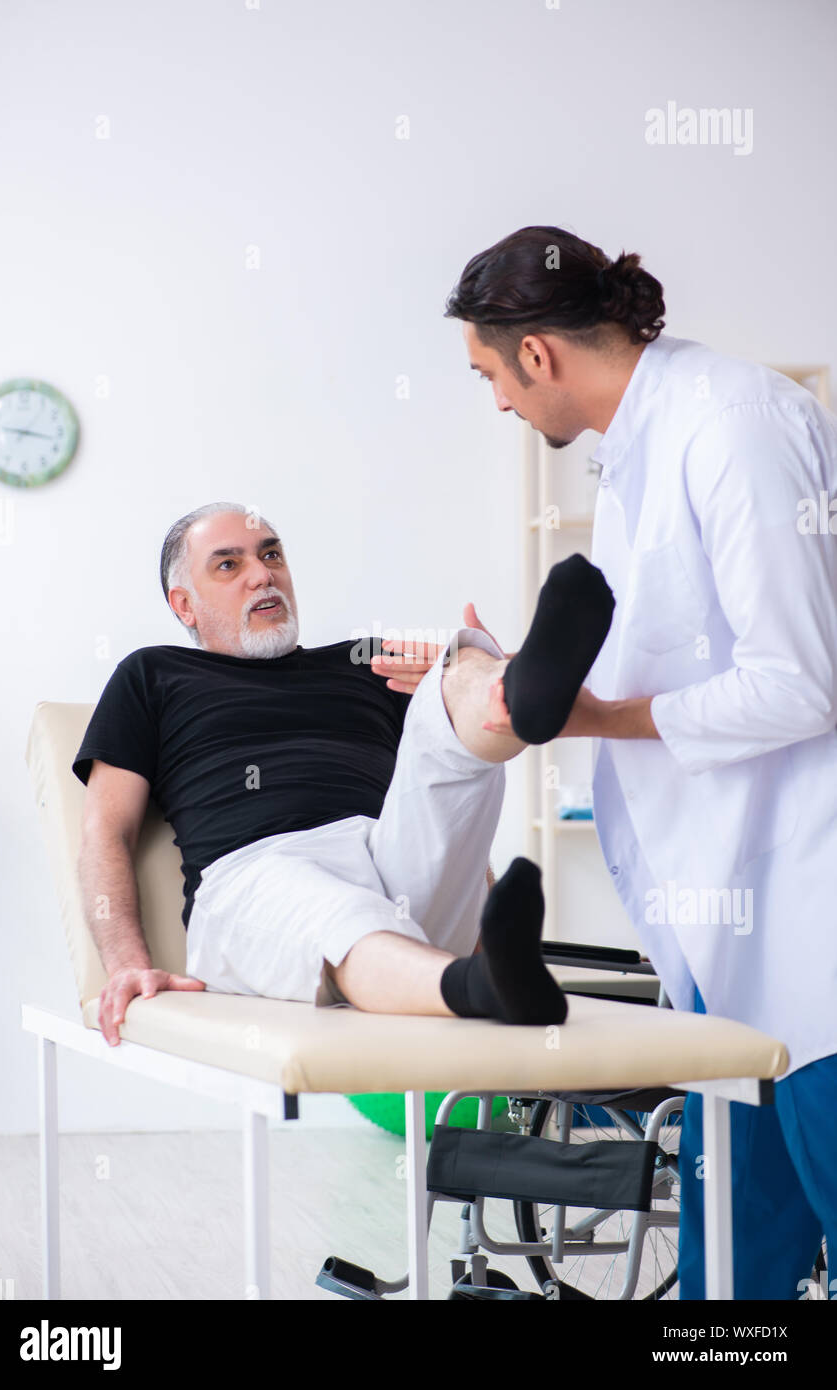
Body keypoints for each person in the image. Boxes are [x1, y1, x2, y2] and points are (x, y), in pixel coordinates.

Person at [420, 223, 837, 1300]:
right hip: (729, 957)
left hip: (809, 936)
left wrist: (594, 720)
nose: (501, 404)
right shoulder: (639, 449)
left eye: (490, 377)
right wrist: (501, 675)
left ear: (538, 354)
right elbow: (630, 656)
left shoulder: (736, 422)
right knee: (726, 1283)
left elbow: (800, 680)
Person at [73, 502, 614, 1055]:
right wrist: (127, 967)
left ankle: (516, 689)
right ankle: (482, 986)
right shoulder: (153, 674)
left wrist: (473, 669)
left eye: (271, 554)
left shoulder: (363, 661)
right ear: (184, 605)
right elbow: (104, 831)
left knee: (447, 678)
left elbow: (448, 774)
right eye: (229, 565)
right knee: (340, 911)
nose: (263, 573)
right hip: (260, 873)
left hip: (393, 858)